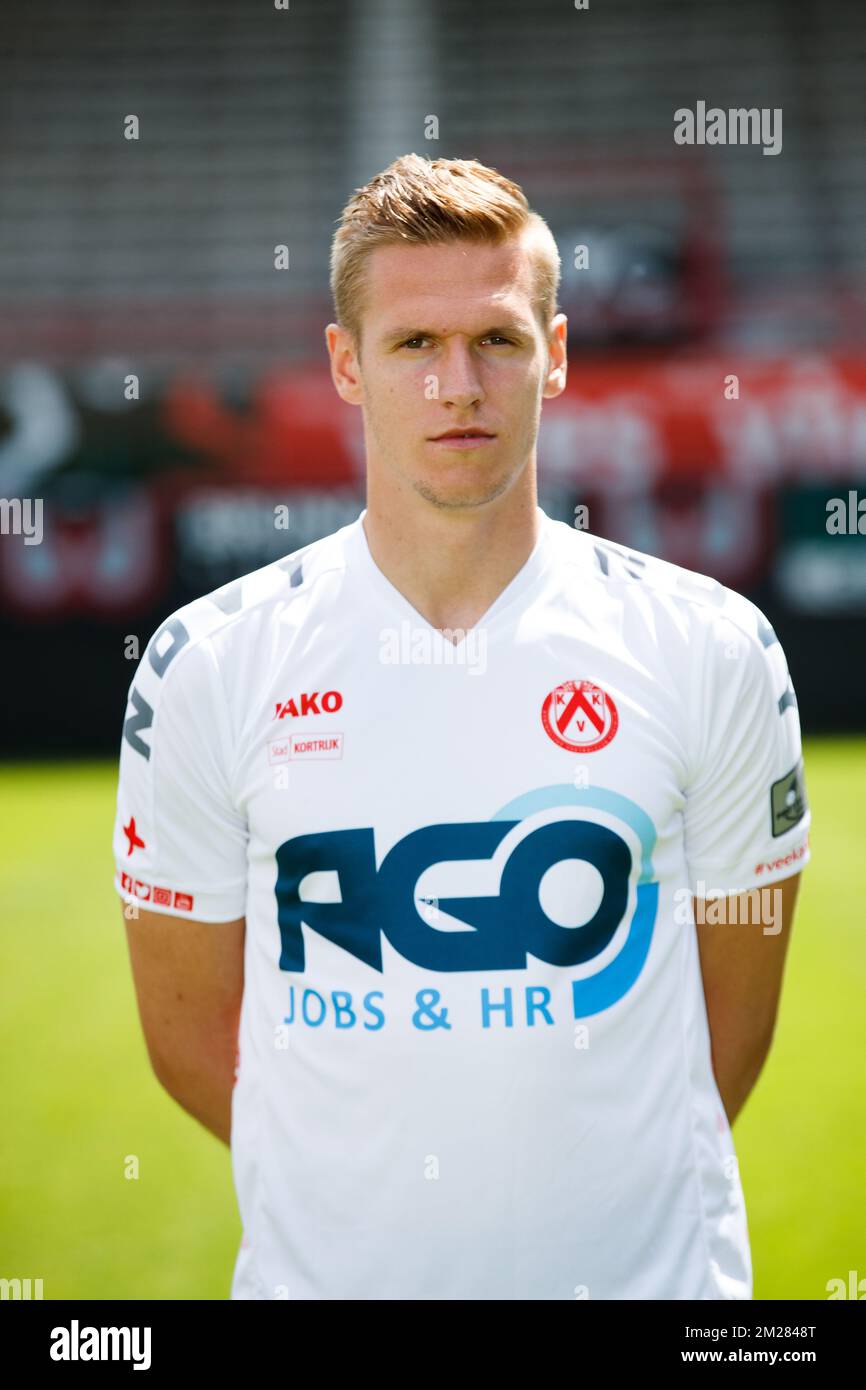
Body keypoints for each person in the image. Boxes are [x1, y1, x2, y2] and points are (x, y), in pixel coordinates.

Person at [113, 153, 810, 1300]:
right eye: (411, 345)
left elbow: (724, 1035)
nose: (457, 386)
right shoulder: (210, 665)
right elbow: (194, 1045)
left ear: (558, 354)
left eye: (495, 340)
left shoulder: (710, 649)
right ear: (345, 363)